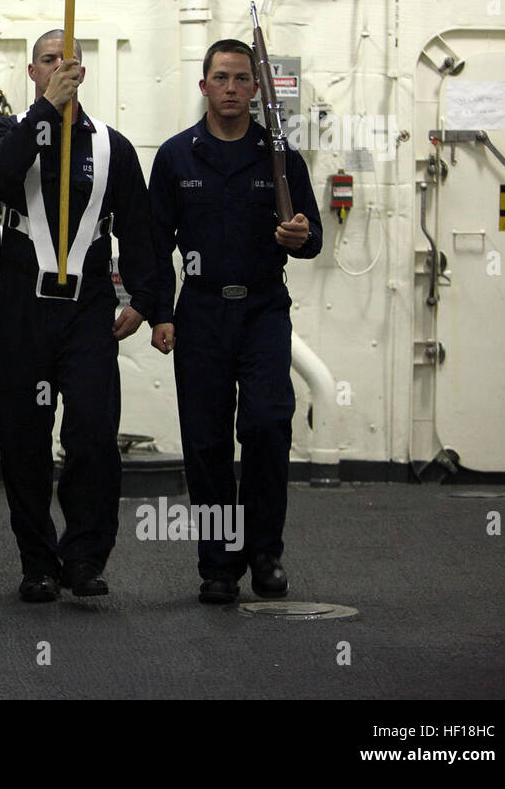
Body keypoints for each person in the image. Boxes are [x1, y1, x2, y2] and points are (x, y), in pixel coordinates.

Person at [0, 30, 157, 603]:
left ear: (83, 72)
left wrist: (145, 300)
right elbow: (3, 176)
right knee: (23, 438)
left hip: (86, 314)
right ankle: (38, 562)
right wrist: (45, 111)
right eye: (48, 61)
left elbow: (138, 230)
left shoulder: (113, 148)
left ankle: (83, 557)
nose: (60, 68)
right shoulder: (7, 131)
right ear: (33, 72)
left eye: (68, 61)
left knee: (91, 433)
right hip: (22, 309)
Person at [148, 38, 322, 604]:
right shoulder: (176, 157)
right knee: (205, 441)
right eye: (220, 78)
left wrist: (298, 236)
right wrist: (159, 313)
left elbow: (311, 237)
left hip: (263, 311)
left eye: (241, 79)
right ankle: (220, 564)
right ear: (204, 86)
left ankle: (266, 552)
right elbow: (154, 246)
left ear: (255, 88)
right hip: (199, 313)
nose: (230, 88)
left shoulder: (280, 157)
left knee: (268, 425)